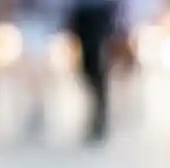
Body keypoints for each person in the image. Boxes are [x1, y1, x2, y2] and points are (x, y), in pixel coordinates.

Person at [12, 0, 68, 137]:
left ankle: (39, 108)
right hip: (27, 23)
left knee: (41, 71)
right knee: (28, 72)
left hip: (47, 25)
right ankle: (33, 108)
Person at [68, 0, 120, 141]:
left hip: (99, 11)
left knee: (96, 62)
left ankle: (100, 112)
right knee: (87, 66)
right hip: (82, 11)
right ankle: (96, 109)